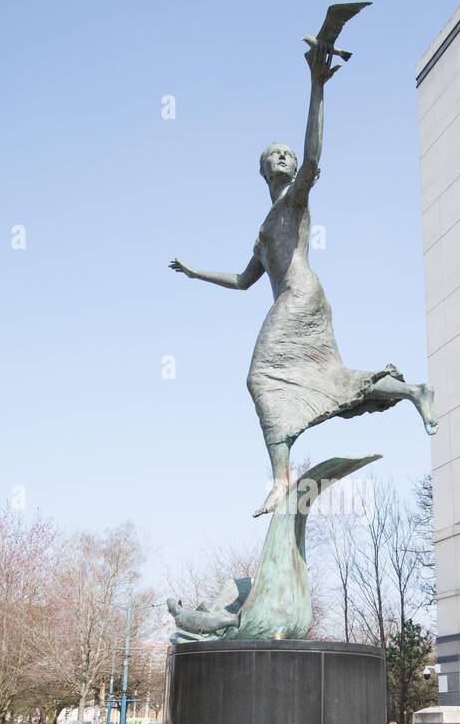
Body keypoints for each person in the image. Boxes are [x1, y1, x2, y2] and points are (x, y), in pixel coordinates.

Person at [169, 38, 437, 518]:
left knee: (260, 377)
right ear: (261, 169)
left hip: (300, 298)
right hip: (301, 300)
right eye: (273, 153)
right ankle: (415, 391)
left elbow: (314, 156)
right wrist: (194, 273)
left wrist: (317, 88)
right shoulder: (266, 224)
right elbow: (243, 280)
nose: (282, 156)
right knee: (333, 380)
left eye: (285, 152)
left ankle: (280, 479)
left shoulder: (294, 199)